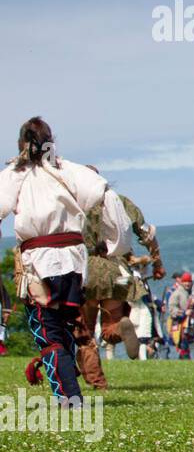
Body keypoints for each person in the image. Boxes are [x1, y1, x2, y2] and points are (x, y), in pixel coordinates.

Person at [0, 118, 129, 405]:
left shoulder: (14, 174)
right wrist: (115, 245)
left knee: (48, 331)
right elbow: (105, 195)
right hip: (73, 263)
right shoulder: (69, 170)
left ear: (22, 143)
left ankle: (68, 395)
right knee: (65, 324)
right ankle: (69, 387)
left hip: (39, 264)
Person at [76, 188, 165, 388]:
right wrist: (158, 263)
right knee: (110, 326)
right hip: (116, 271)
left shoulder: (73, 202)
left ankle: (97, 382)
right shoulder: (120, 201)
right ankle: (121, 328)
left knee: (86, 332)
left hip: (86, 270)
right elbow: (146, 233)